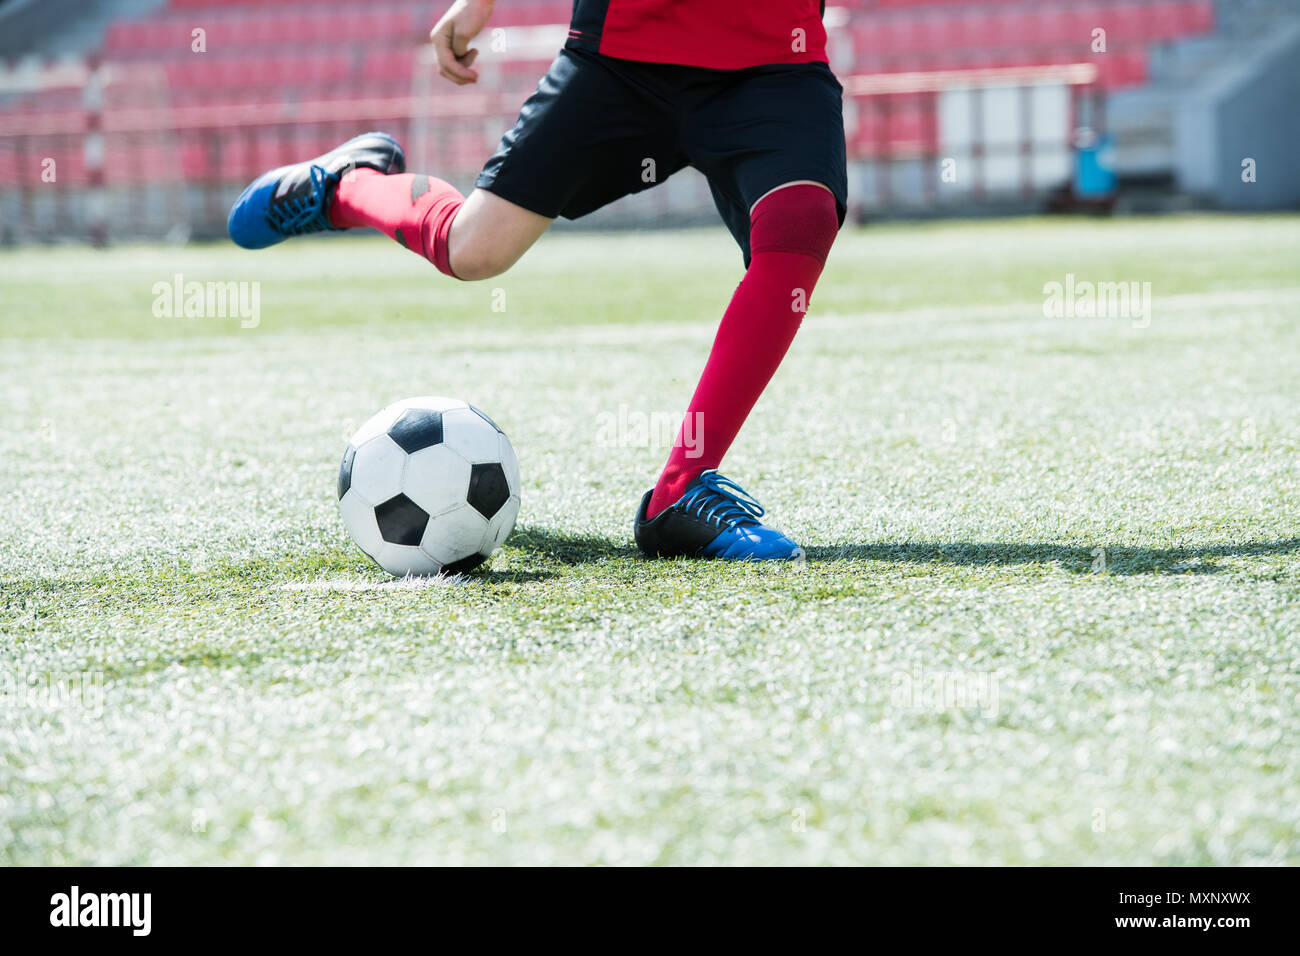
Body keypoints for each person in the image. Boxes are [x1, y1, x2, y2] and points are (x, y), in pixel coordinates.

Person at [228, 0, 846, 561]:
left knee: (800, 220)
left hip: (775, 59)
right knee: (474, 250)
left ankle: (680, 492)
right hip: (624, 56)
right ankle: (346, 185)